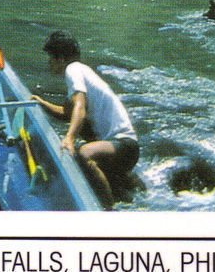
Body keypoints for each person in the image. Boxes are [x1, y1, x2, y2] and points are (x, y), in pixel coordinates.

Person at [32, 30, 139, 209]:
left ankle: (107, 209)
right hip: (123, 149)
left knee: (83, 154)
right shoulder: (81, 71)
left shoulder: (72, 70)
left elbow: (79, 107)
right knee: (84, 138)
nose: (49, 63)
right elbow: (68, 113)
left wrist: (69, 139)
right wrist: (42, 104)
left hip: (124, 146)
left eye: (51, 58)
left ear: (61, 58)